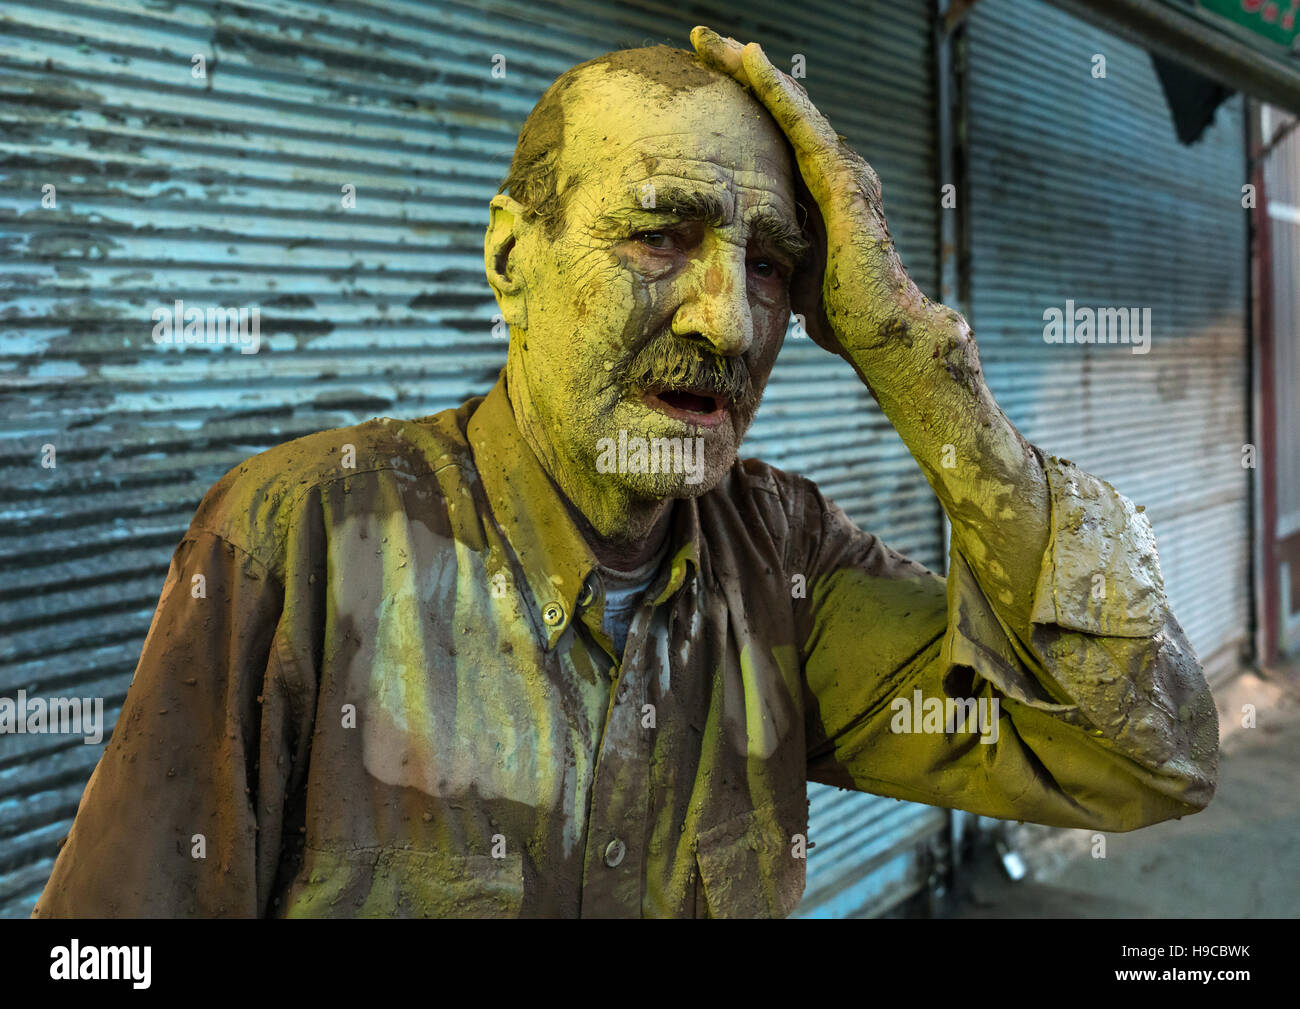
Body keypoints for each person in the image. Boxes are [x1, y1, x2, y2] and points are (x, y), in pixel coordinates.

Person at [33, 27, 1218, 919]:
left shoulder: (785, 567)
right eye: (661, 235)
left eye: (771, 265)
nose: (731, 322)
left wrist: (913, 355)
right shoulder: (298, 534)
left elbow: (1142, 758)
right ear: (512, 258)